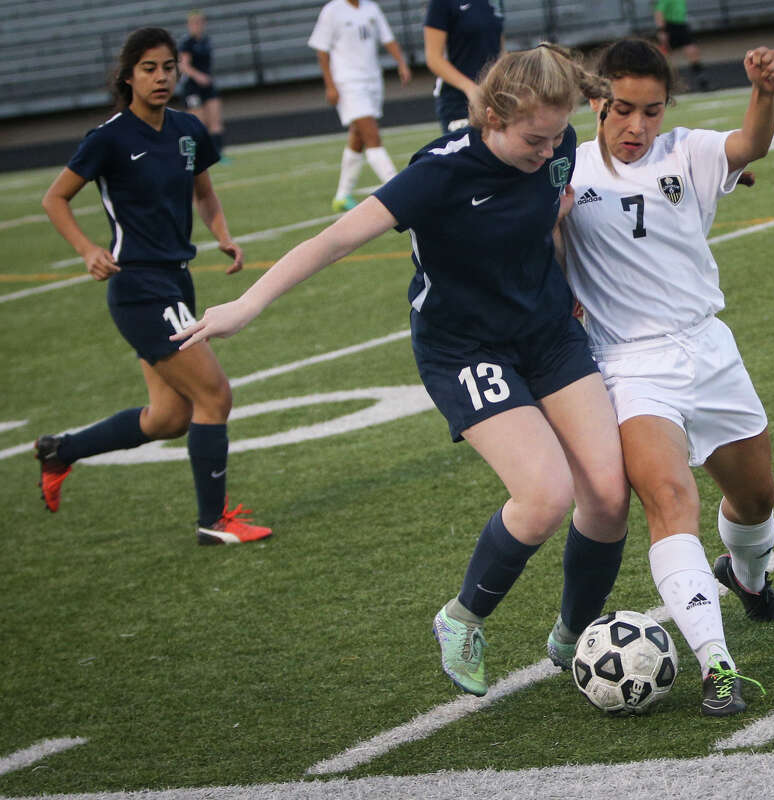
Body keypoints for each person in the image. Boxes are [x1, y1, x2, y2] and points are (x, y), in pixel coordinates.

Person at [171, 45, 629, 697]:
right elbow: (333, 241)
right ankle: (462, 617)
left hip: (548, 332)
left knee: (609, 497)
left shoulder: (556, 144)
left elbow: (549, 220)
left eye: (557, 136)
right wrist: (247, 305)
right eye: (535, 138)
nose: (548, 149)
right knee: (545, 496)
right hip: (466, 346)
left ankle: (574, 634)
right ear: (494, 116)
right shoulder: (438, 174)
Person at [559, 38, 774, 716]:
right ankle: (718, 667)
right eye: (623, 109)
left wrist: (765, 92)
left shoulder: (684, 152)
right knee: (669, 501)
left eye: (651, 111)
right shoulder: (563, 173)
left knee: (756, 501)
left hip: (708, 350)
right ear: (597, 102)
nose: (637, 127)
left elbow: (750, 143)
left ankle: (746, 578)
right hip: (627, 366)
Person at [37, 26, 272, 546]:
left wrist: (223, 236)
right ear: (128, 76)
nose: (161, 76)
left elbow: (204, 194)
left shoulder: (188, 130)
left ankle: (61, 452)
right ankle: (214, 523)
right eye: (149, 68)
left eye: (168, 66)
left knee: (168, 418)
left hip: (177, 283)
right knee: (215, 395)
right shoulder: (109, 137)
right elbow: (56, 198)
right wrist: (88, 250)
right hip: (140, 287)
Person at [308, 0, 413, 212]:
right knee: (372, 135)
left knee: (359, 135)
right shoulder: (332, 11)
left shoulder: (371, 8)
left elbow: (388, 38)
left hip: (373, 80)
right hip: (348, 82)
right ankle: (399, 189)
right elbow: (322, 51)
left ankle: (342, 195)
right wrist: (330, 85)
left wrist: (401, 63)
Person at [423, 0, 504, 134]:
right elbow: (433, 58)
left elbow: (499, 49)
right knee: (469, 153)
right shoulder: (440, 3)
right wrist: (471, 89)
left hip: (494, 96)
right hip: (459, 101)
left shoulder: (493, 2)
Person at [178, 10, 226, 161]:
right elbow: (183, 66)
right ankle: (199, 156)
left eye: (199, 22)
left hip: (208, 85)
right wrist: (198, 76)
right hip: (193, 87)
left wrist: (207, 78)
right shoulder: (187, 43)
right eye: (194, 23)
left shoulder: (206, 41)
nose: (197, 26)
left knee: (215, 120)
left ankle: (218, 154)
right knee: (199, 123)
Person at [653, 0, 708, 92]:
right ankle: (657, 79)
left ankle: (700, 78)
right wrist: (661, 30)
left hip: (681, 25)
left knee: (692, 50)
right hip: (670, 26)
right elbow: (658, 12)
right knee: (663, 55)